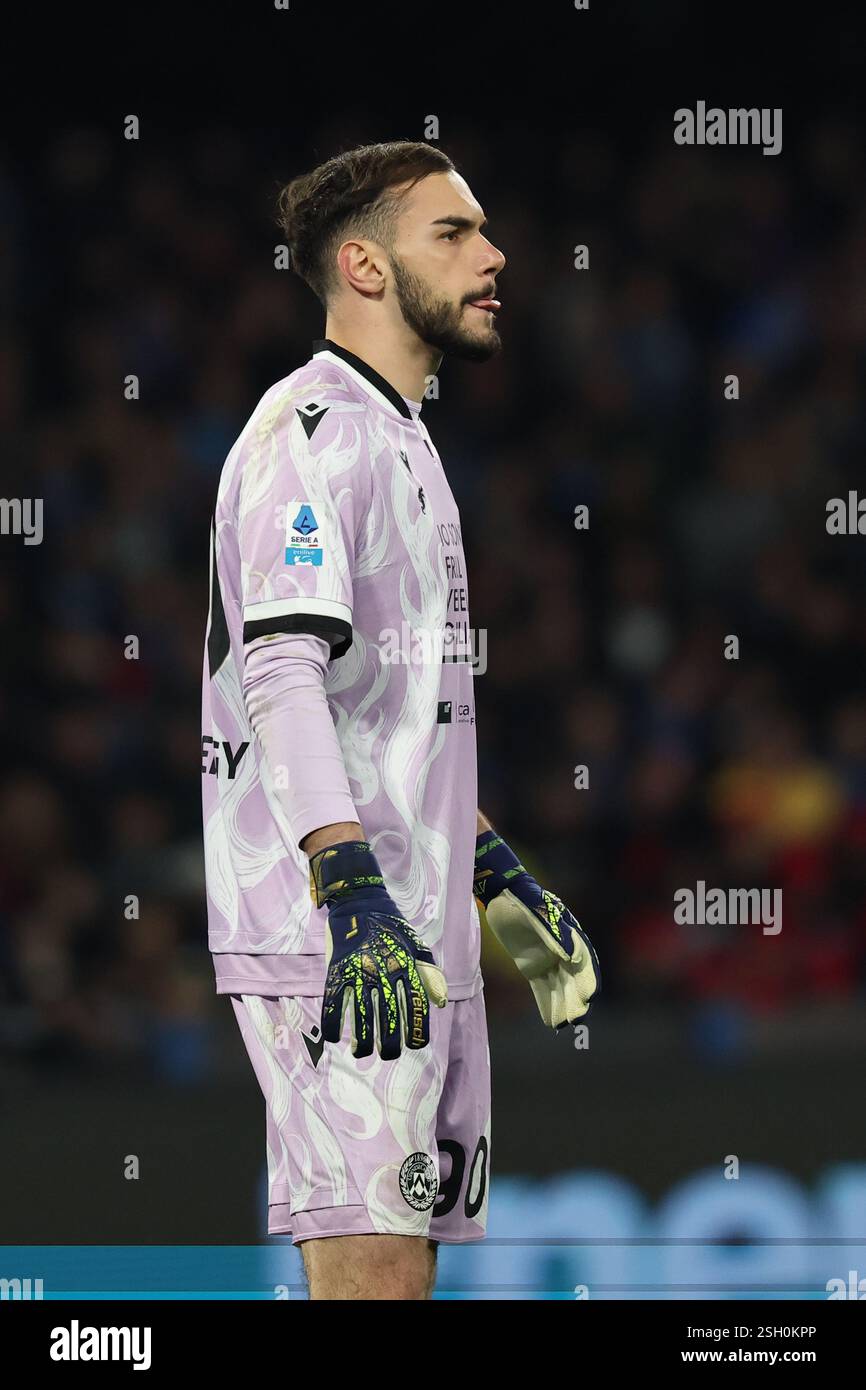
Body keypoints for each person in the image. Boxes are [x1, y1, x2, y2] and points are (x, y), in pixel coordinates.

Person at [201, 140, 599, 1300]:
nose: (493, 256)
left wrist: (482, 863)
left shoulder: (404, 439)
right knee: (369, 1276)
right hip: (342, 940)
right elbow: (277, 674)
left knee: (400, 1278)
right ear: (365, 267)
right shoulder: (308, 437)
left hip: (409, 932)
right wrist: (349, 888)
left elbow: (379, 719)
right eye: (454, 234)